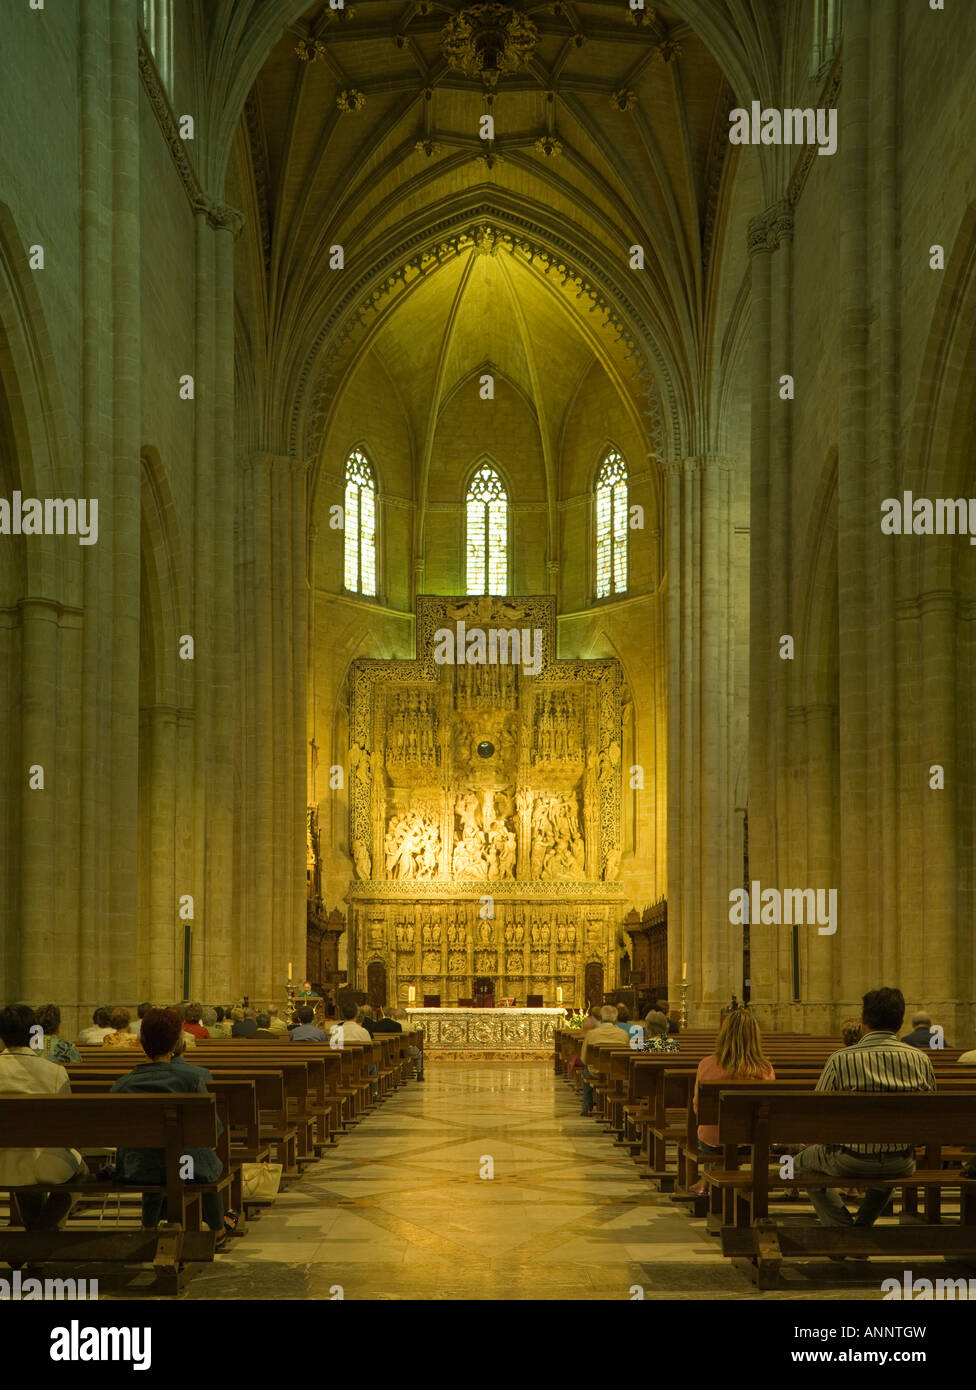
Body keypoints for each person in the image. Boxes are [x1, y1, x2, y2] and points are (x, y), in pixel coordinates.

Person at [793, 987, 935, 1229]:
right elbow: (931, 1114)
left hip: (850, 1159)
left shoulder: (841, 1059)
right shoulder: (920, 1059)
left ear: (864, 1020)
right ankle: (862, 1227)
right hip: (901, 1161)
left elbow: (815, 1112)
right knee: (884, 1175)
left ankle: (844, 1231)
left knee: (795, 1165)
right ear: (900, 1022)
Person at [109, 1009, 235, 1244]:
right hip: (187, 1169)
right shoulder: (191, 1079)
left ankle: (148, 1226)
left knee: (151, 1150)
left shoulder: (123, 1084)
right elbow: (212, 1130)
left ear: (141, 1042)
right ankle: (217, 1229)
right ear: (176, 1042)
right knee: (196, 1153)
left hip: (139, 1169)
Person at [0, 1004, 85, 1229]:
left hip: (3, 1161)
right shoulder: (54, 1072)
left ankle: (35, 1241)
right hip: (42, 1162)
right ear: (33, 1032)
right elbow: (64, 1123)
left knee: (21, 1168)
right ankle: (43, 1233)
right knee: (80, 1171)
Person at [693, 1008, 775, 1192]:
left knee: (713, 1135)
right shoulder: (765, 1069)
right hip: (752, 1140)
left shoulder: (706, 1065)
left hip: (713, 1141)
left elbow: (698, 1109)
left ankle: (709, 1180)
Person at [580, 1005, 632, 1116]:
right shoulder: (623, 1034)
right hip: (617, 1072)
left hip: (596, 1072)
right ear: (615, 1017)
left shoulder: (592, 1034)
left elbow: (584, 1059)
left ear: (601, 1017)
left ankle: (586, 1106)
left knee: (585, 1072)